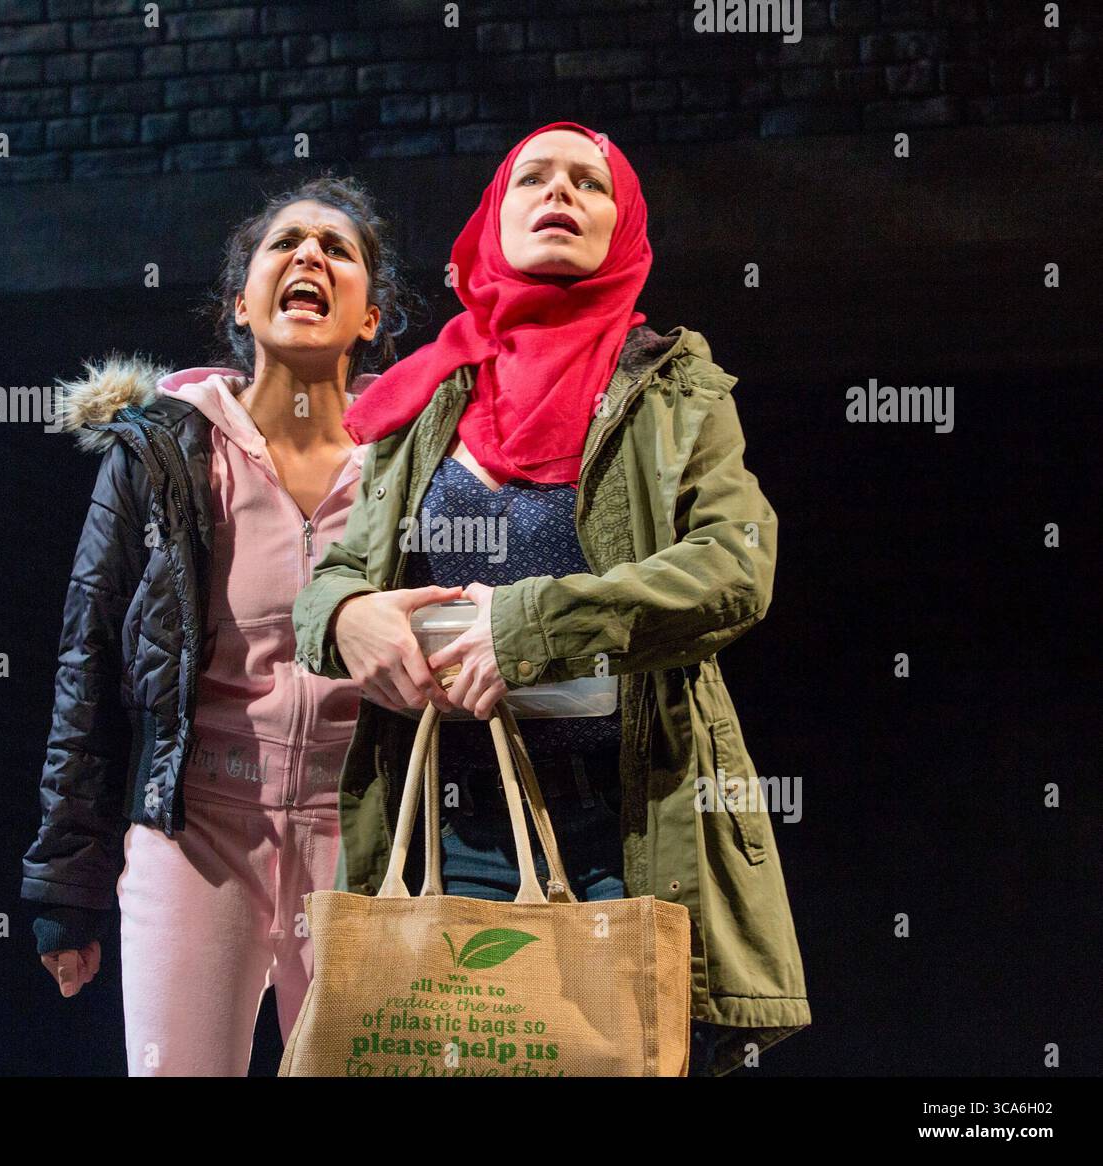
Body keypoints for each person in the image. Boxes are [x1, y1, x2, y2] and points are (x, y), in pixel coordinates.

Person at [292, 123, 811, 1077]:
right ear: (497, 214)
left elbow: (736, 568)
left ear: (625, 226)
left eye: (589, 183)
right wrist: (344, 617)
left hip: (623, 827)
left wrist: (528, 627)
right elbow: (333, 578)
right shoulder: (433, 391)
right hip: (440, 830)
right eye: (533, 177)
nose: (560, 194)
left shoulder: (673, 385)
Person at [18, 174, 443, 1075]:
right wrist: (68, 879)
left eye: (339, 249)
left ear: (372, 318)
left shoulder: (412, 461)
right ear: (240, 302)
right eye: (285, 242)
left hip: (363, 833)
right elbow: (86, 665)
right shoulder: (163, 452)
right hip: (197, 831)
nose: (311, 257)